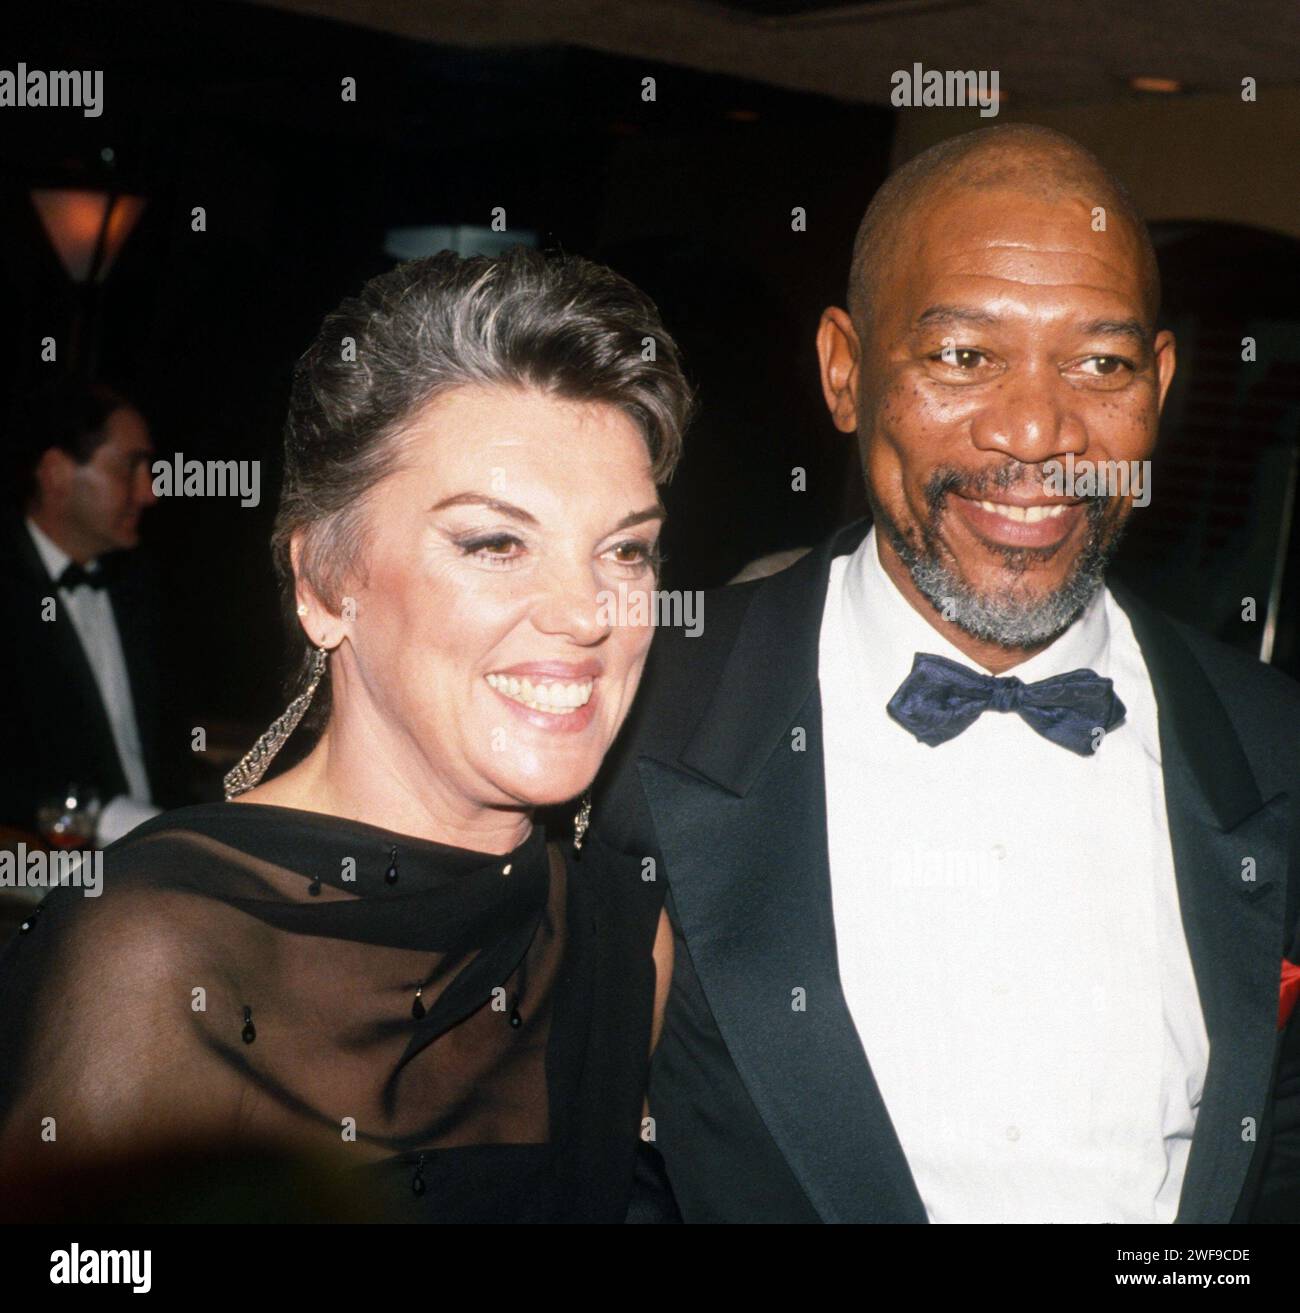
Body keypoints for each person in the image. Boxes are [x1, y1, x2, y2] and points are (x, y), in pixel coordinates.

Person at [592, 124, 1300, 1223]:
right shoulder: (641, 705)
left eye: (1098, 363)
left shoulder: (1272, 743)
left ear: (1156, 388)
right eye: (963, 355)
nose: (1034, 430)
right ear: (845, 370)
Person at [0, 247, 684, 1223]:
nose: (586, 613)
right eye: (495, 542)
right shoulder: (156, 945)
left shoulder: (624, 937)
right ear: (324, 585)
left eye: (624, 548)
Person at [0, 380, 184, 844]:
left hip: (157, 862)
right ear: (57, 473)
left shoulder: (140, 589)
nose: (149, 493)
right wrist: (107, 820)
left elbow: (171, 753)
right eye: (130, 468)